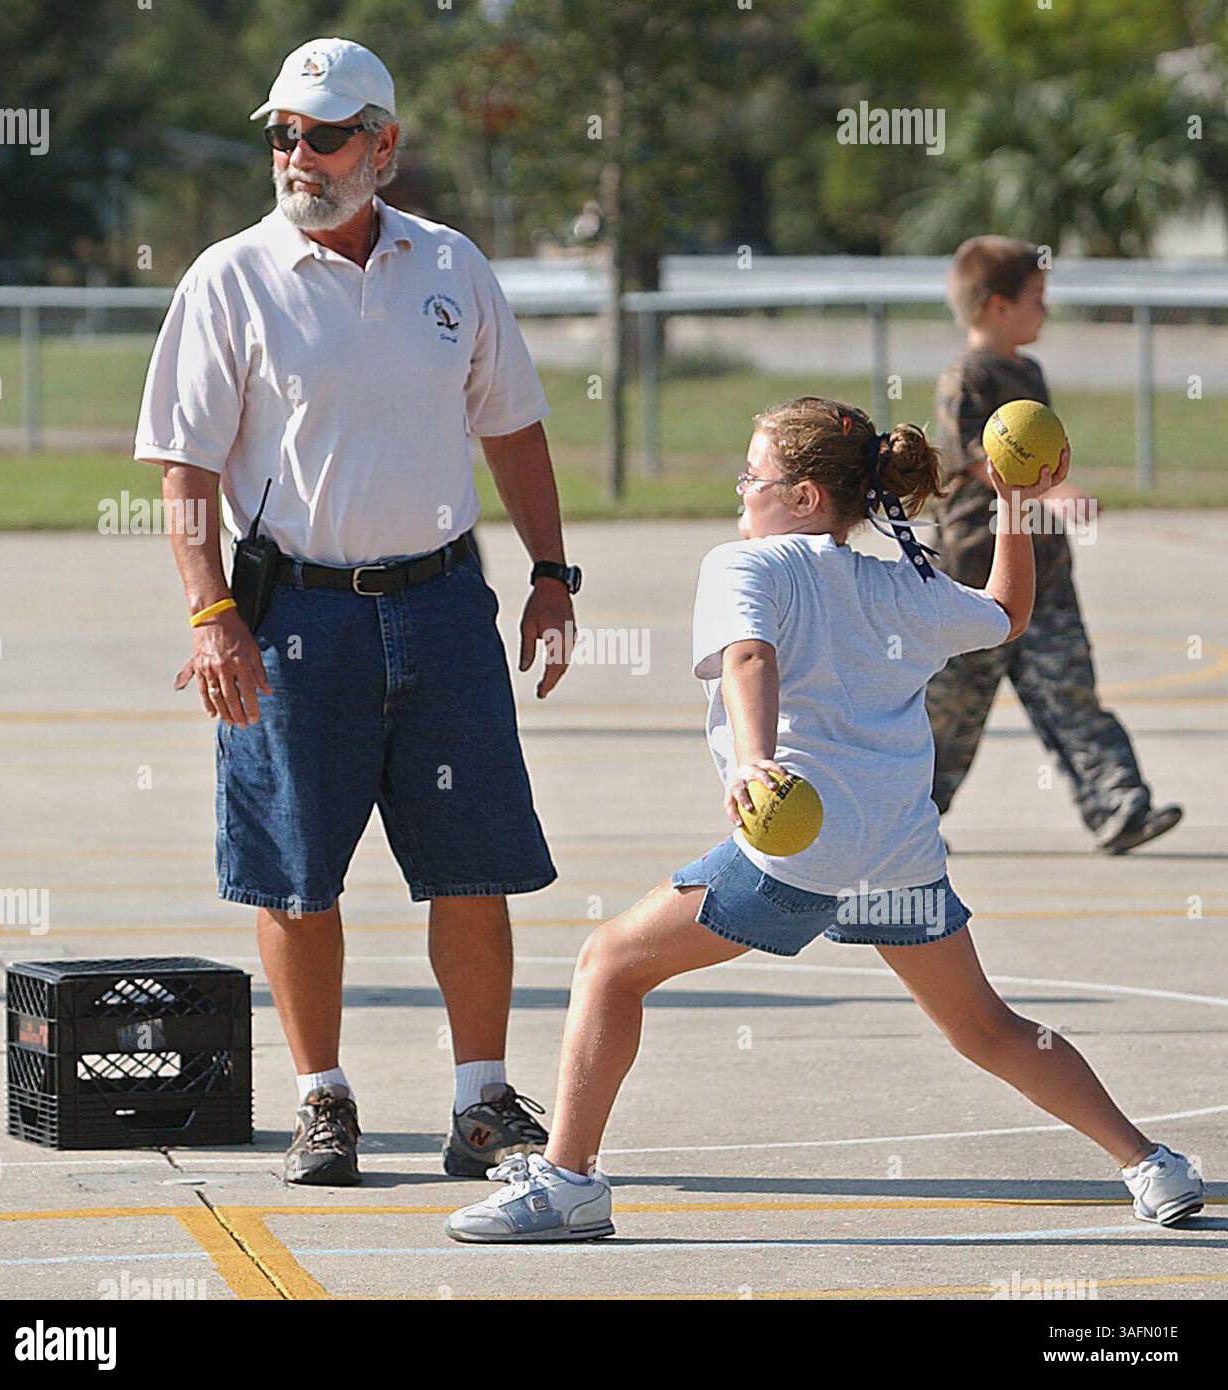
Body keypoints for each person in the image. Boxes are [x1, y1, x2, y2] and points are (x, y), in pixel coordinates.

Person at [444, 395, 1204, 1242]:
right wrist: (1017, 504)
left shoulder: (746, 567)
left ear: (804, 496)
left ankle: (569, 1183)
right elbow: (1006, 615)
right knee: (984, 1026)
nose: (739, 487)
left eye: (753, 474)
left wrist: (758, 756)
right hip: (898, 847)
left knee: (608, 964)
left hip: (799, 844)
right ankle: (1150, 1163)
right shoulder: (897, 582)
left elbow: (747, 653)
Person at [134, 38, 584, 1186]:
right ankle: (321, 1101)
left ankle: (482, 1103)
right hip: (294, 620)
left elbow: (514, 426)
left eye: (322, 134)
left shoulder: (450, 266)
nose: (296, 155)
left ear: (383, 145)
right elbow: (184, 472)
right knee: (296, 873)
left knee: (471, 869)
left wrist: (551, 572)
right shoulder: (229, 279)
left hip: (440, 608)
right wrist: (209, 614)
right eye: (281, 132)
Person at [929, 235, 1181, 853]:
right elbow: (981, 460)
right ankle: (907, 815)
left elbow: (1036, 459)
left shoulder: (1028, 373)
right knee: (951, 710)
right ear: (996, 306)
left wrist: (1051, 496)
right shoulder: (966, 379)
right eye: (1036, 299)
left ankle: (1119, 804)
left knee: (1070, 689)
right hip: (975, 572)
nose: (1046, 309)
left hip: (1043, 571)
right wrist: (1049, 495)